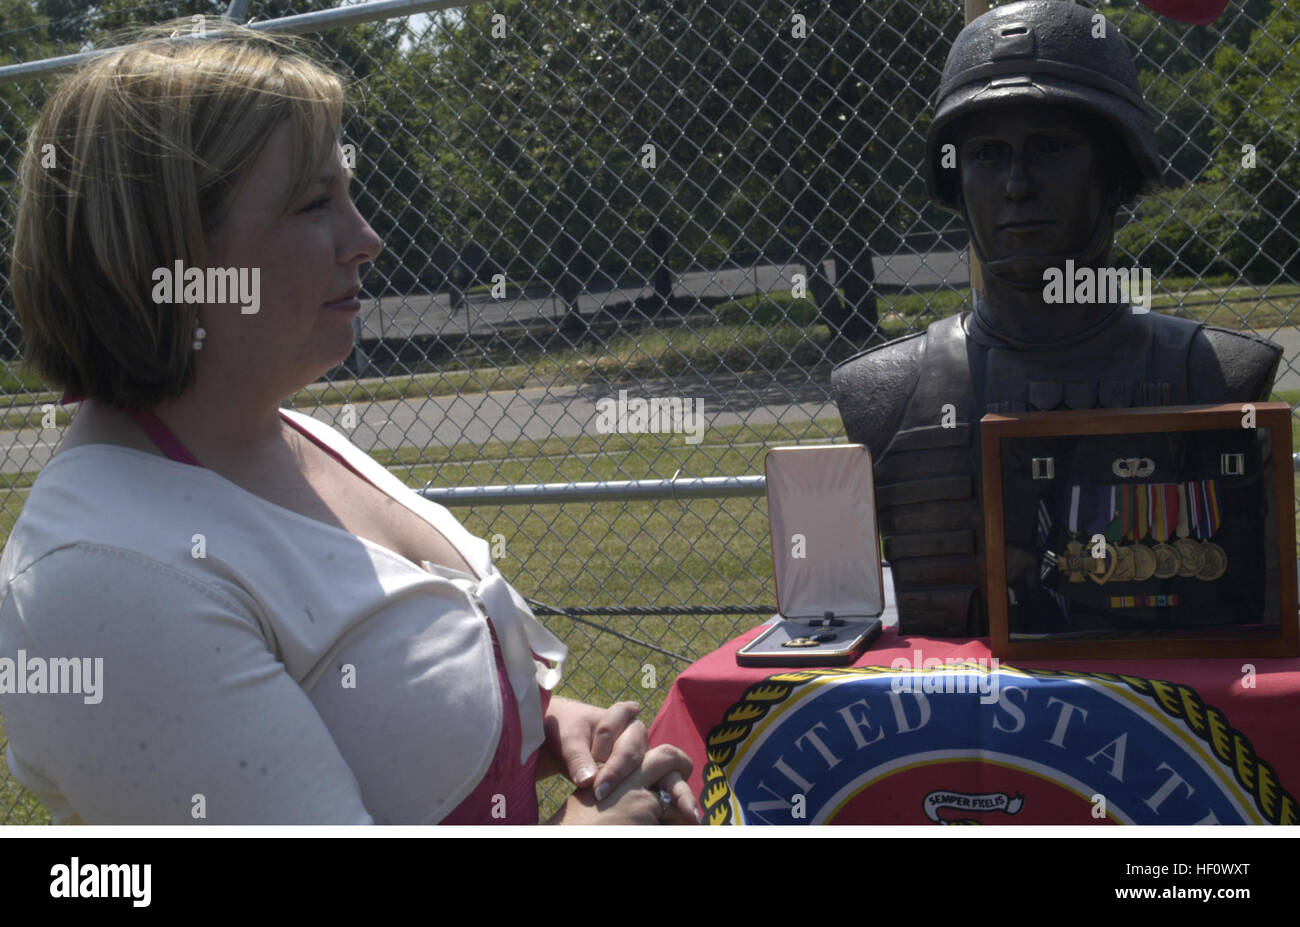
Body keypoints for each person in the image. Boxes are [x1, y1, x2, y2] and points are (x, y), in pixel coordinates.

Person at [0, 20, 698, 825]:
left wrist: (544, 726)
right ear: (170, 259)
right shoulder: (106, 581)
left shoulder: (279, 432)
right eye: (313, 203)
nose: (366, 239)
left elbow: (371, 702)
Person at [830, 0, 1281, 637]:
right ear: (954, 181)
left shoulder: (1219, 375)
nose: (1017, 184)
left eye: (1051, 148)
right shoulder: (885, 392)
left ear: (1119, 174)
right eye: (987, 155)